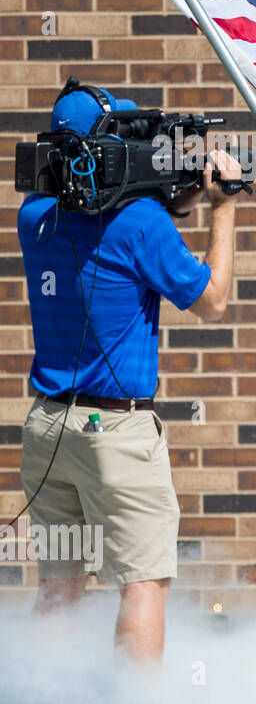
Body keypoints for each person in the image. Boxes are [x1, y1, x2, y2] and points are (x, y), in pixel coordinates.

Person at [16, 79, 243, 661]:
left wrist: (175, 193)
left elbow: (104, 214)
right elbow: (213, 301)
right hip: (114, 433)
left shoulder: (34, 215)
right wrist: (223, 207)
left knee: (60, 584)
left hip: (47, 430)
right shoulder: (141, 224)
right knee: (142, 582)